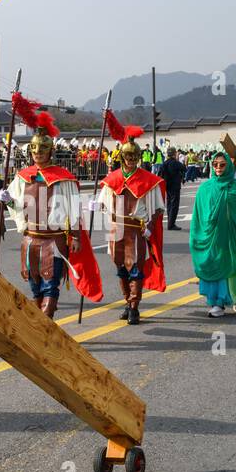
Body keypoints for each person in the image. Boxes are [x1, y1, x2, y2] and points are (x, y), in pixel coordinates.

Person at [1, 115, 100, 319]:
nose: (38, 153)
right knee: (34, 284)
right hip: (30, 238)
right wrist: (7, 200)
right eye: (34, 150)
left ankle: (45, 324)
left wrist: (75, 237)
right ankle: (42, 325)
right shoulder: (23, 176)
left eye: (42, 149)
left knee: (50, 284)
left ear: (51, 151)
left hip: (54, 240)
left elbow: (73, 209)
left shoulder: (63, 178)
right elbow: (16, 204)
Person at [97, 125, 166, 324]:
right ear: (122, 158)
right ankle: (128, 302)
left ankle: (134, 306)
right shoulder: (113, 179)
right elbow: (104, 203)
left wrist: (150, 227)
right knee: (120, 267)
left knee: (135, 268)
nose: (132, 160)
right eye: (128, 157)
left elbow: (157, 208)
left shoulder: (148, 180)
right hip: (116, 227)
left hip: (137, 229)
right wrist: (97, 205)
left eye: (135, 157)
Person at [190, 152, 236, 317]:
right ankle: (217, 303)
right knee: (214, 265)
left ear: (229, 166)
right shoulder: (205, 188)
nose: (218, 167)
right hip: (212, 238)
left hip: (230, 238)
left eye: (222, 164)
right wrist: (200, 234)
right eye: (215, 164)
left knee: (234, 266)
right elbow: (199, 214)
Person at [158, 147, 185, 229]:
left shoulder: (164, 163)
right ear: (174, 154)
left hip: (167, 186)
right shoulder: (175, 163)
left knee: (169, 204)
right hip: (175, 186)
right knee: (174, 205)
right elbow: (184, 168)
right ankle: (171, 224)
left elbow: (159, 174)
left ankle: (170, 222)